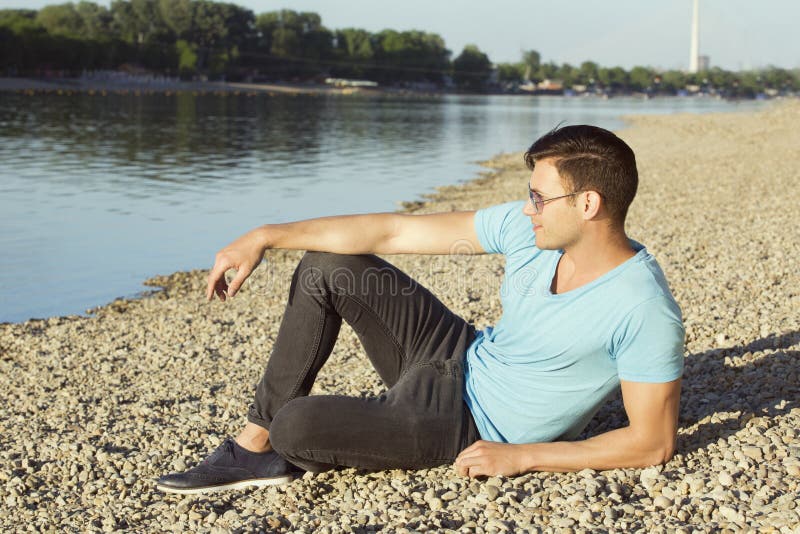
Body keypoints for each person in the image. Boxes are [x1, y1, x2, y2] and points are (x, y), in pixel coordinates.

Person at [156, 125, 684, 495]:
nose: (528, 209)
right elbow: (394, 230)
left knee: (296, 426)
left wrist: (523, 456)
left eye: (539, 198)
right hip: (459, 353)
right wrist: (267, 236)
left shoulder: (641, 307)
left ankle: (285, 436)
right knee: (326, 266)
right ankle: (253, 443)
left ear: (587, 204)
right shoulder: (529, 232)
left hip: (466, 423)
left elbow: (652, 442)